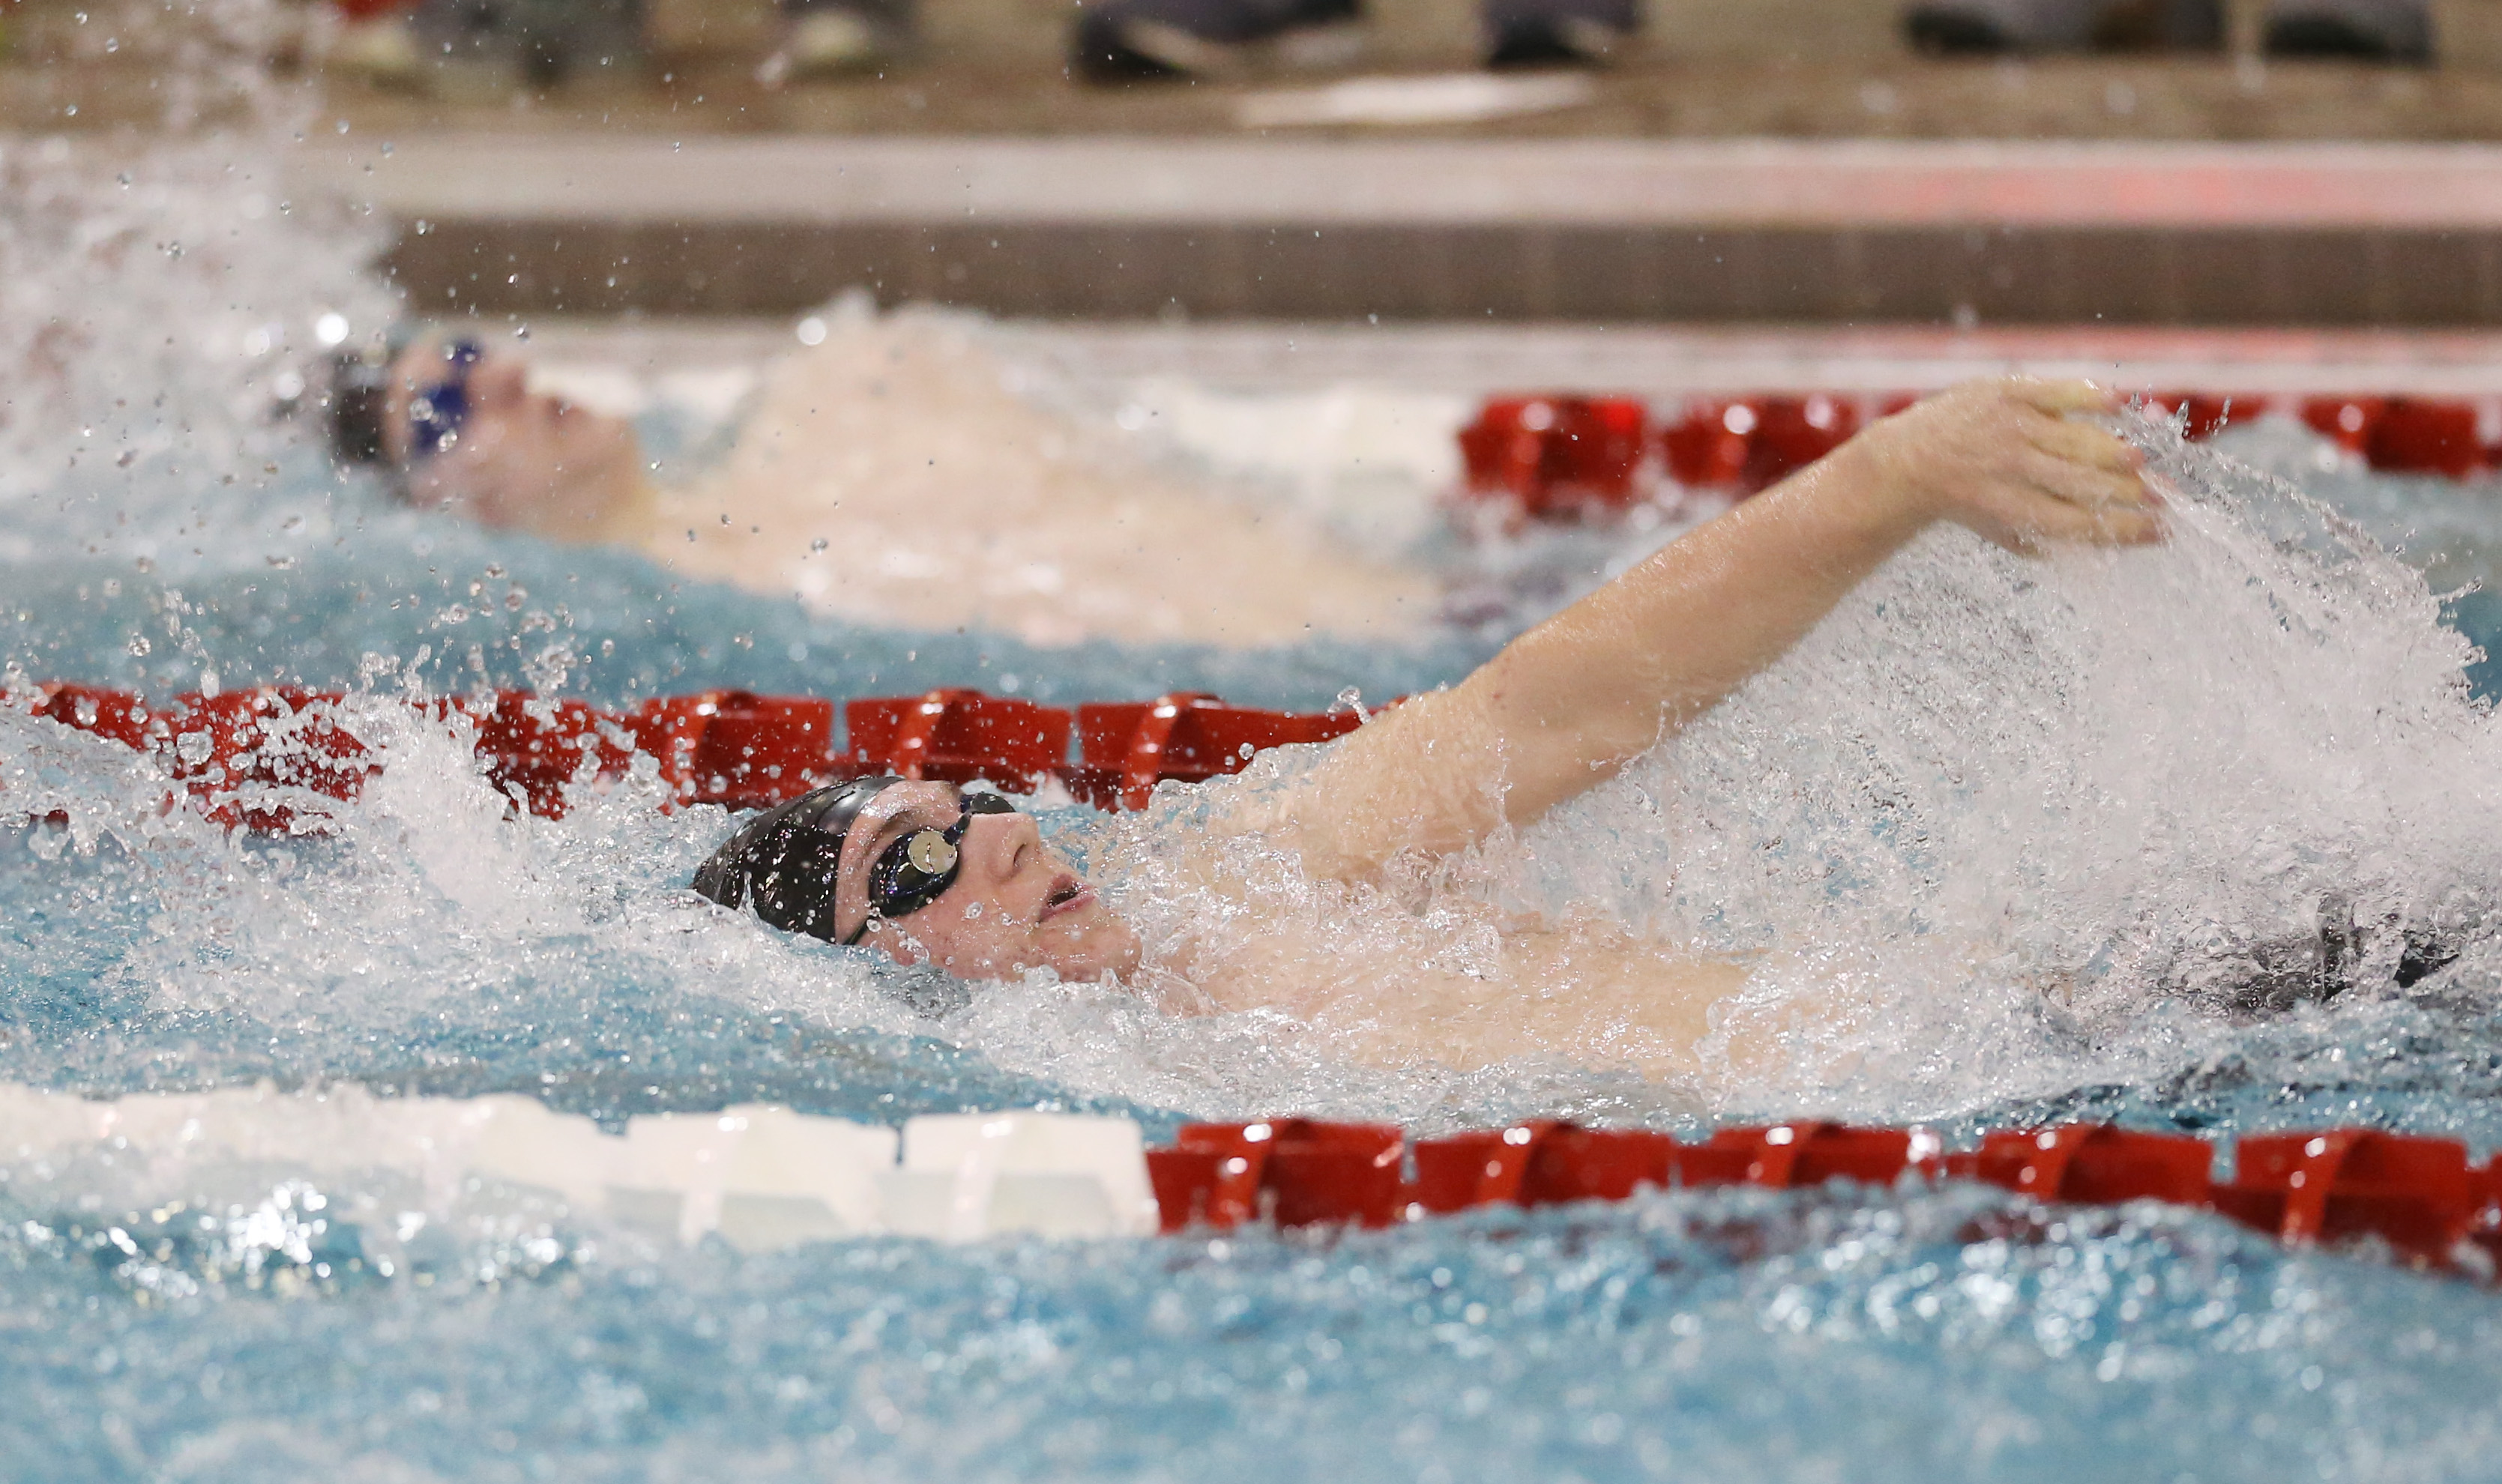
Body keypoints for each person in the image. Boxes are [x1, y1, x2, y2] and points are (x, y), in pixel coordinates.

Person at [693, 376, 2168, 1078]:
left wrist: (1886, 478)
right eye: (910, 873)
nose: (995, 837)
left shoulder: (1262, 867)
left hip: (2074, 1041)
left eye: (954, 808)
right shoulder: (1105, 1111)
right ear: (855, 990)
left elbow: (1570, 702)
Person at [327, 315, 1439, 648]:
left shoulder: (841, 392)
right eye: (448, 409)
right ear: (442, 507)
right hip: (1396, 663)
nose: (509, 377)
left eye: (473, 355)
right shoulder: (734, 622)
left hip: (1428, 598)